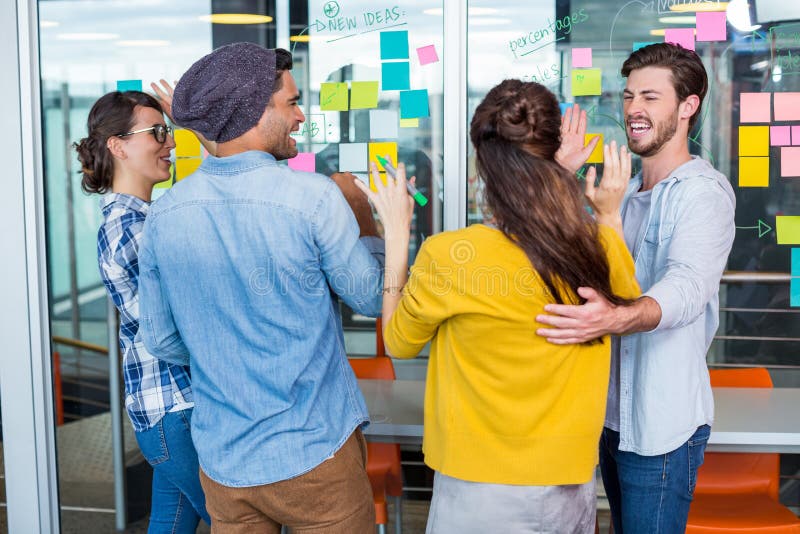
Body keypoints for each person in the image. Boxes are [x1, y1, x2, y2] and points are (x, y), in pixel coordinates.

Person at [355, 79, 641, 533]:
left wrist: (396, 235)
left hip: (476, 487)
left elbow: (397, 344)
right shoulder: (598, 245)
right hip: (566, 483)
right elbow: (628, 308)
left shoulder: (451, 255)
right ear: (552, 152)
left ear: (480, 163)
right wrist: (607, 212)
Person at [137, 42, 383, 533]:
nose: (300, 117)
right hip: (316, 455)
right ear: (252, 111)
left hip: (225, 465)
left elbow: (162, 341)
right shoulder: (314, 198)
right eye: (291, 103)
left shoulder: (164, 214)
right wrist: (364, 218)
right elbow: (373, 297)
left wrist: (228, 357)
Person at [536, 43, 737, 533]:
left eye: (650, 96)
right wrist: (559, 176)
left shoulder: (702, 193)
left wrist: (616, 316)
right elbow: (564, 261)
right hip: (609, 420)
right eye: (628, 96)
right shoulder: (622, 196)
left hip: (661, 429)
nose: (633, 109)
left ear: (688, 106)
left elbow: (687, 289)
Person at [75, 90, 210, 533]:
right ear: (118, 145)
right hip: (176, 410)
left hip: (174, 410)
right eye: (158, 133)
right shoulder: (128, 228)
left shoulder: (147, 218)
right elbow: (168, 329)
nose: (169, 143)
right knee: (241, 522)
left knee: (171, 525)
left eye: (167, 131)